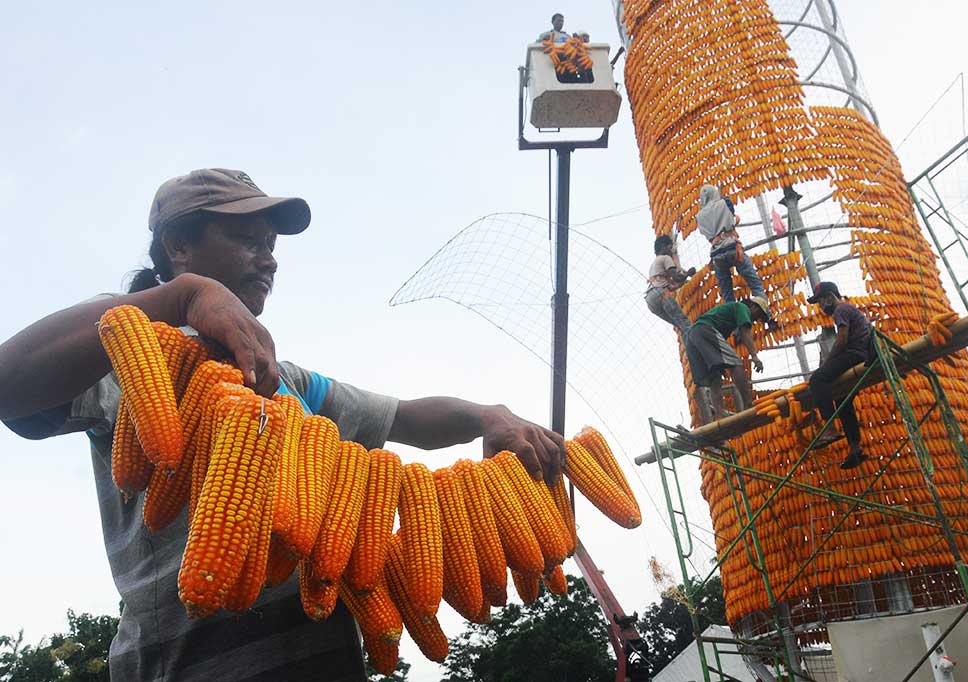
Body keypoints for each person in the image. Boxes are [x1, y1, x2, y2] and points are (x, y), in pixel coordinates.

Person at [0, 168, 566, 682]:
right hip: (187, 664)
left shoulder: (286, 382)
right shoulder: (128, 349)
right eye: (248, 240)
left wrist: (488, 415)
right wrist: (180, 298)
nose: (269, 260)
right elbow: (8, 382)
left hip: (322, 656)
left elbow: (407, 417)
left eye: (270, 245)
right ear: (178, 246)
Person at [806, 281, 875, 469]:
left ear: (830, 297)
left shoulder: (840, 310)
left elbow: (842, 339)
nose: (821, 306)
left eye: (821, 301)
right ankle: (855, 447)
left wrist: (827, 362)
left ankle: (830, 428)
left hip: (855, 353)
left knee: (817, 379)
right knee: (842, 399)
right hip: (861, 353)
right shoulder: (848, 309)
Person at [684, 297, 771, 418]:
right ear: (754, 306)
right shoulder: (742, 307)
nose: (756, 320)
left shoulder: (733, 312)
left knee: (714, 378)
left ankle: (719, 415)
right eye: (759, 315)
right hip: (705, 329)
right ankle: (747, 403)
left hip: (691, 337)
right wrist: (755, 357)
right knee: (735, 363)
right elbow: (745, 332)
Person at [696, 184, 766, 303]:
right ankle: (765, 311)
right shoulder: (725, 202)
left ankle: (732, 313)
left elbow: (705, 232)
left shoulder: (699, 217)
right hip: (732, 248)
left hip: (716, 255)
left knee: (727, 295)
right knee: (755, 285)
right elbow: (732, 215)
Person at [645, 234, 696, 335]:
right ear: (663, 246)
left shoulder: (654, 264)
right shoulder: (666, 258)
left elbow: (671, 286)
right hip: (661, 294)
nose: (671, 251)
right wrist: (688, 273)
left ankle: (689, 343)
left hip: (650, 300)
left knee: (680, 325)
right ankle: (699, 341)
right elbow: (677, 277)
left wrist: (682, 283)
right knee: (684, 322)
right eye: (670, 248)